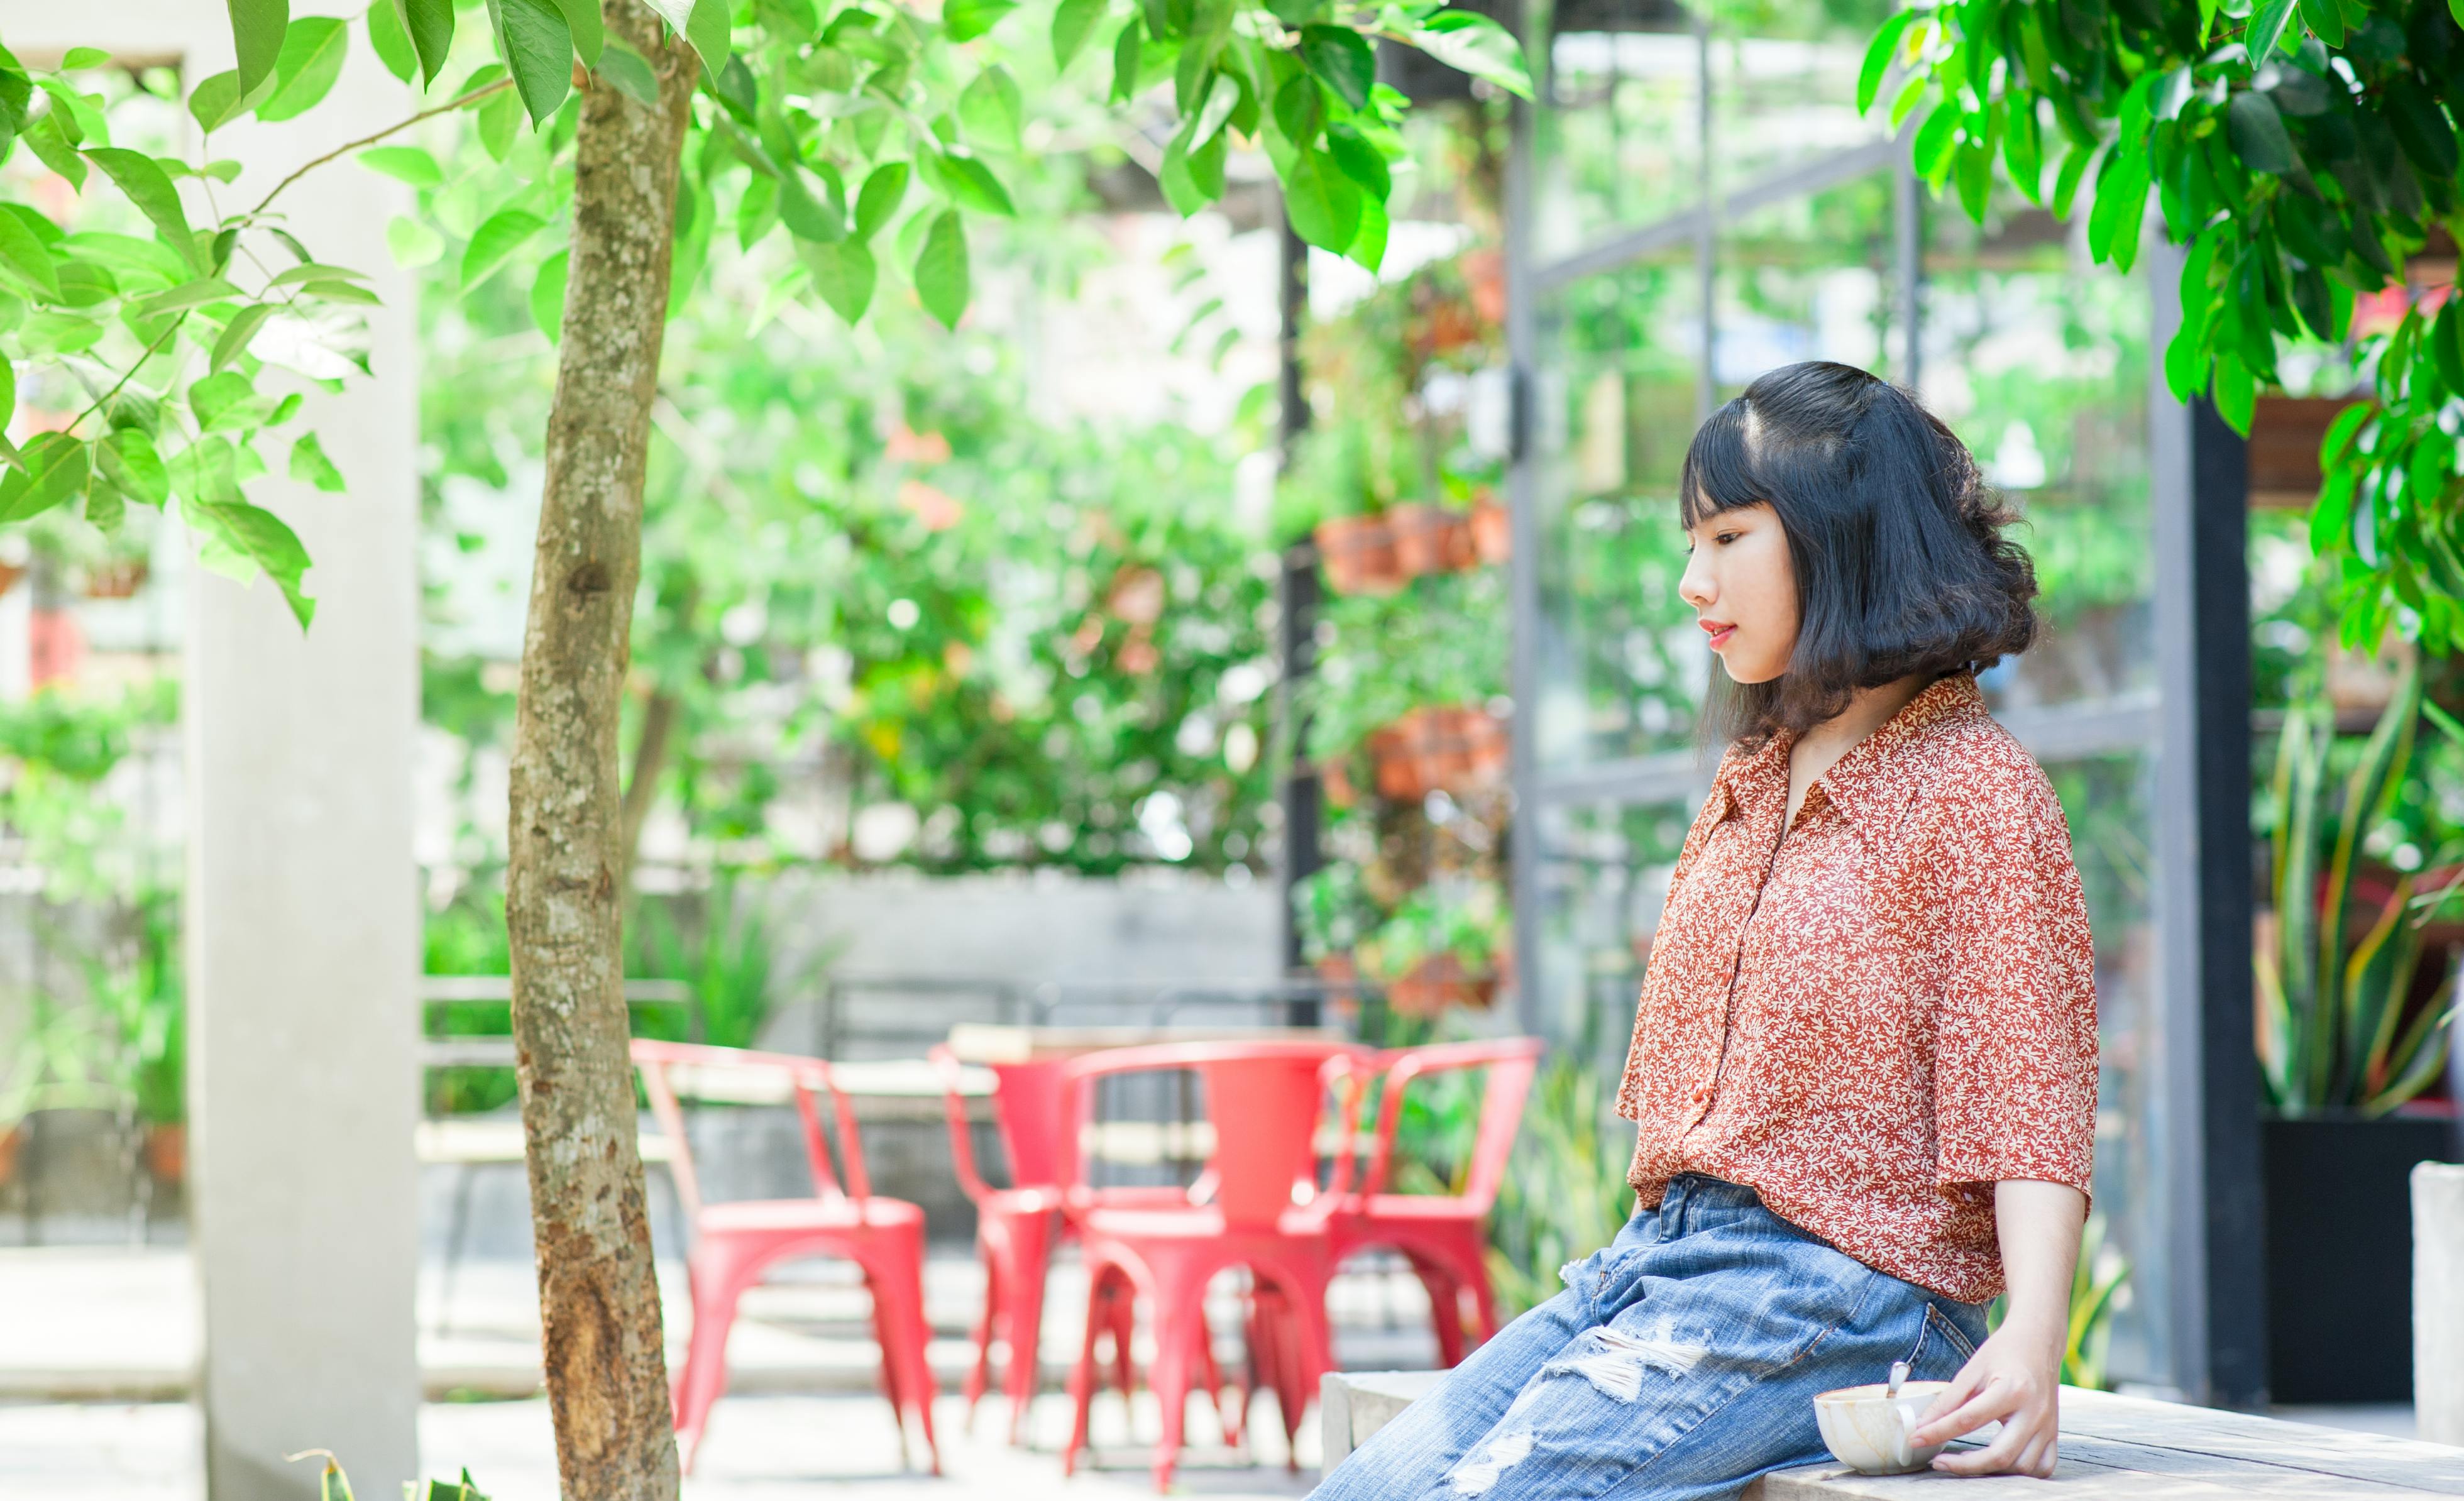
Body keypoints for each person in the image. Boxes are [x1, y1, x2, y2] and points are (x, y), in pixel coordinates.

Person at [1310, 361, 2097, 1499]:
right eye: (1693, 543)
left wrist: (2033, 1334)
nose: (1692, 581)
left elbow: (2033, 1093)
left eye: (1727, 537)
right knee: (1362, 1492)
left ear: (1844, 537)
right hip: (1664, 1269)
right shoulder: (1754, 777)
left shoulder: (1971, 787)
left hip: (1849, 1296)